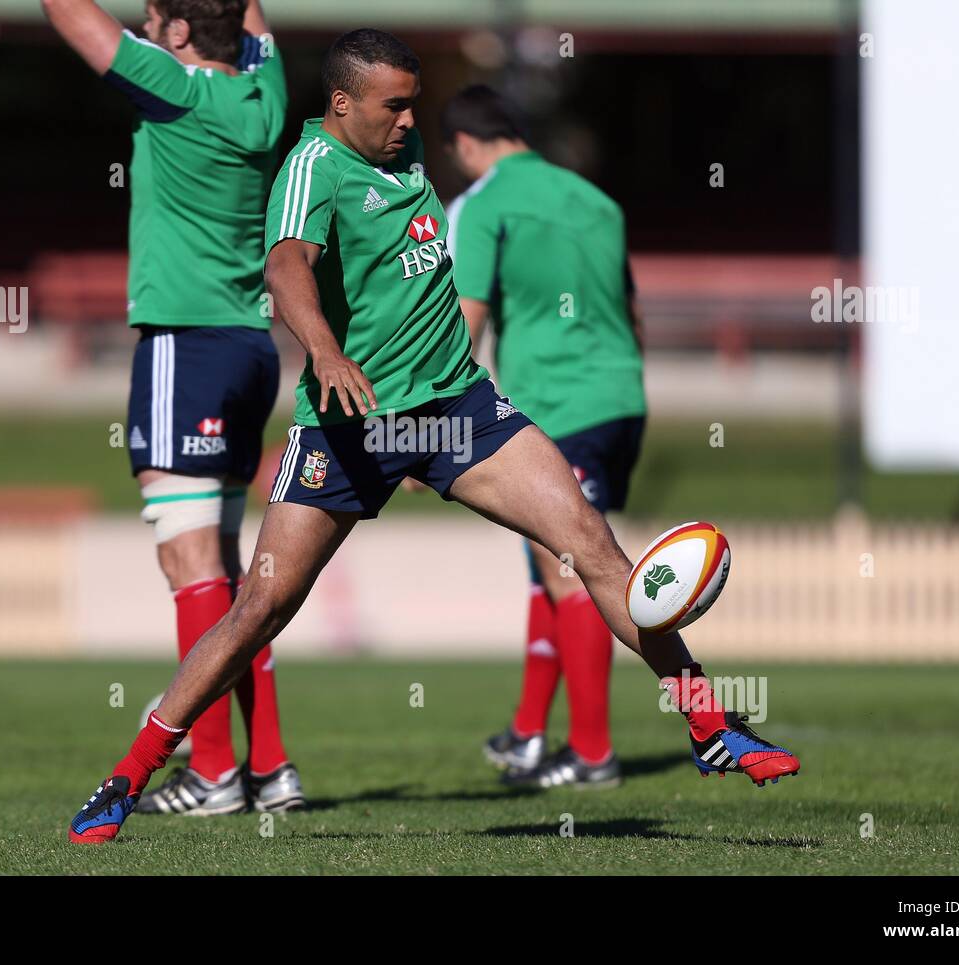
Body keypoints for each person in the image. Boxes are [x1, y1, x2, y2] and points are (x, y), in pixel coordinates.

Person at [68, 28, 800, 844]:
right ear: (342, 104)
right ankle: (130, 774)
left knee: (591, 544)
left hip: (462, 411)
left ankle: (711, 725)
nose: (412, 120)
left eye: (414, 104)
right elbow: (285, 267)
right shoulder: (313, 166)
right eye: (395, 105)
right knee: (258, 611)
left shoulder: (401, 155)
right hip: (350, 427)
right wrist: (325, 350)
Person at [43, 0, 303, 815]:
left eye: (153, 16)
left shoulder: (174, 85)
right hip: (252, 350)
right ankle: (272, 767)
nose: (142, 26)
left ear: (181, 33)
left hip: (183, 347)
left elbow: (67, 13)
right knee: (230, 579)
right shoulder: (264, 92)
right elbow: (252, 22)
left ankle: (217, 774)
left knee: (192, 570)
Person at [442, 84, 648, 788]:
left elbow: (463, 319)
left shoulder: (484, 203)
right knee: (555, 561)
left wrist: (425, 419)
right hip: (622, 396)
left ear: (465, 145)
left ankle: (591, 753)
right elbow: (631, 309)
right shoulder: (600, 201)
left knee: (571, 570)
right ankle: (532, 733)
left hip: (557, 403)